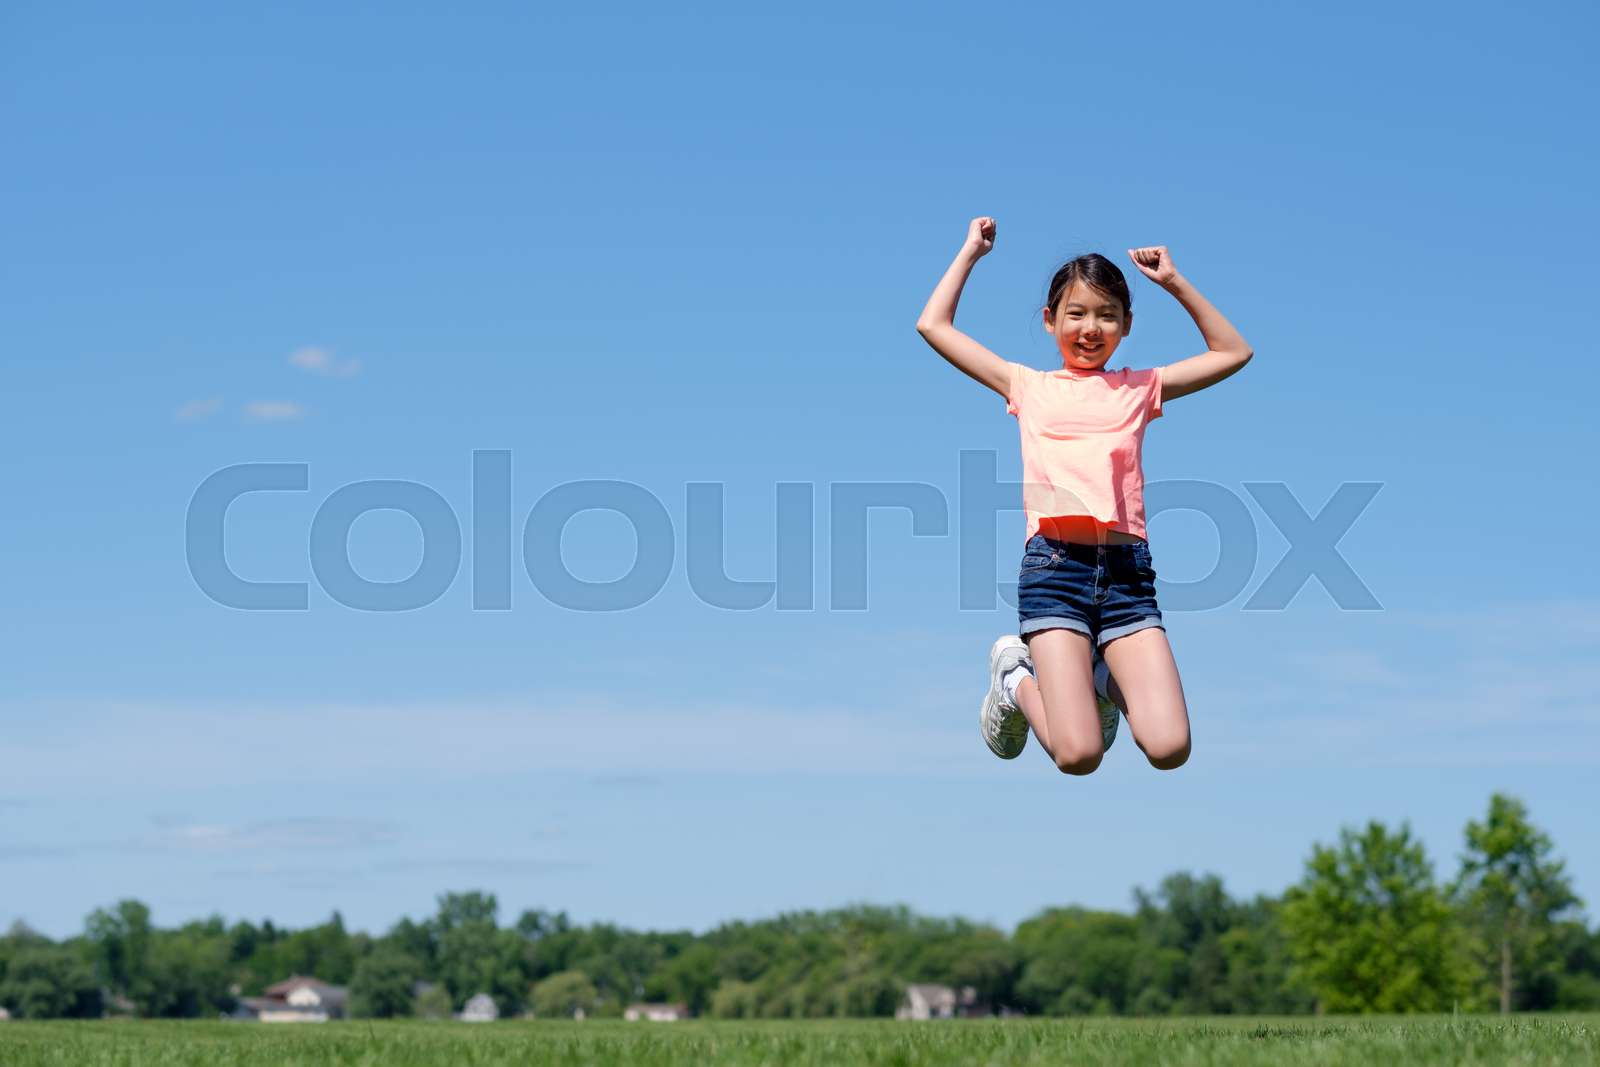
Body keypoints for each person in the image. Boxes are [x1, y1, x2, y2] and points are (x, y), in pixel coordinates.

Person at [916, 217, 1253, 775]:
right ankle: (1015, 680)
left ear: (1125, 325)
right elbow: (934, 325)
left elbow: (1232, 352)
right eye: (1076, 314)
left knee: (1170, 748)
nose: (1090, 328)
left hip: (1126, 577)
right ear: (1051, 321)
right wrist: (970, 253)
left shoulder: (1139, 388)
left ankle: (1098, 673)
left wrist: (1174, 282)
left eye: (1107, 316)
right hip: (1055, 571)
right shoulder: (1027, 385)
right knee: (1079, 755)